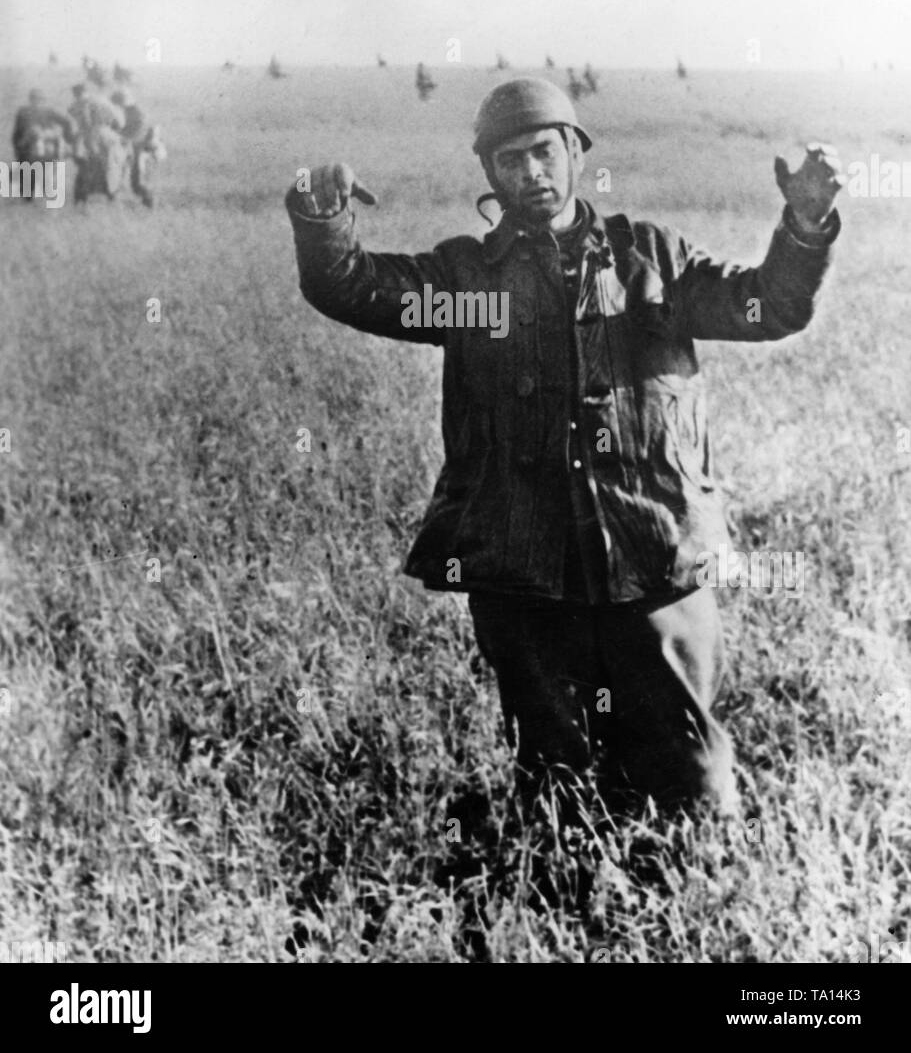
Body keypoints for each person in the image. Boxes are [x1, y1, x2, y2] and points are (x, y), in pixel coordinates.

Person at [284, 77, 843, 818]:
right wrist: (322, 220)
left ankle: (696, 901)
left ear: (576, 152)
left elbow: (767, 305)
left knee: (691, 781)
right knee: (554, 781)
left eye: (544, 151)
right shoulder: (467, 283)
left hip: (651, 554)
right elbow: (355, 288)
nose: (530, 174)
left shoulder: (651, 260)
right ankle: (561, 899)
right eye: (508, 160)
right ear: (489, 174)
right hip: (525, 568)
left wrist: (804, 223)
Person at [68, 83, 127, 202]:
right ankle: (112, 195)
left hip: (86, 137)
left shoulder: (74, 106)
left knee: (86, 168)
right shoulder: (102, 101)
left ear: (75, 94)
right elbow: (120, 123)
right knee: (111, 166)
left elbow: (79, 123)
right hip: (105, 135)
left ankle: (81, 199)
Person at [111, 90, 164, 207]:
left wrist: (121, 136)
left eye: (117, 103)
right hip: (130, 149)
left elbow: (137, 134)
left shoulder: (136, 114)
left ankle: (150, 203)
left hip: (138, 150)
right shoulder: (127, 112)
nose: (116, 106)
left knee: (137, 182)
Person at [12, 89, 73, 165]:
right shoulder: (23, 112)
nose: (37, 103)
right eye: (35, 100)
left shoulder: (46, 111)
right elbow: (17, 132)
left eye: (39, 100)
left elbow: (66, 122)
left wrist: (68, 141)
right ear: (31, 100)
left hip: (42, 149)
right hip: (30, 149)